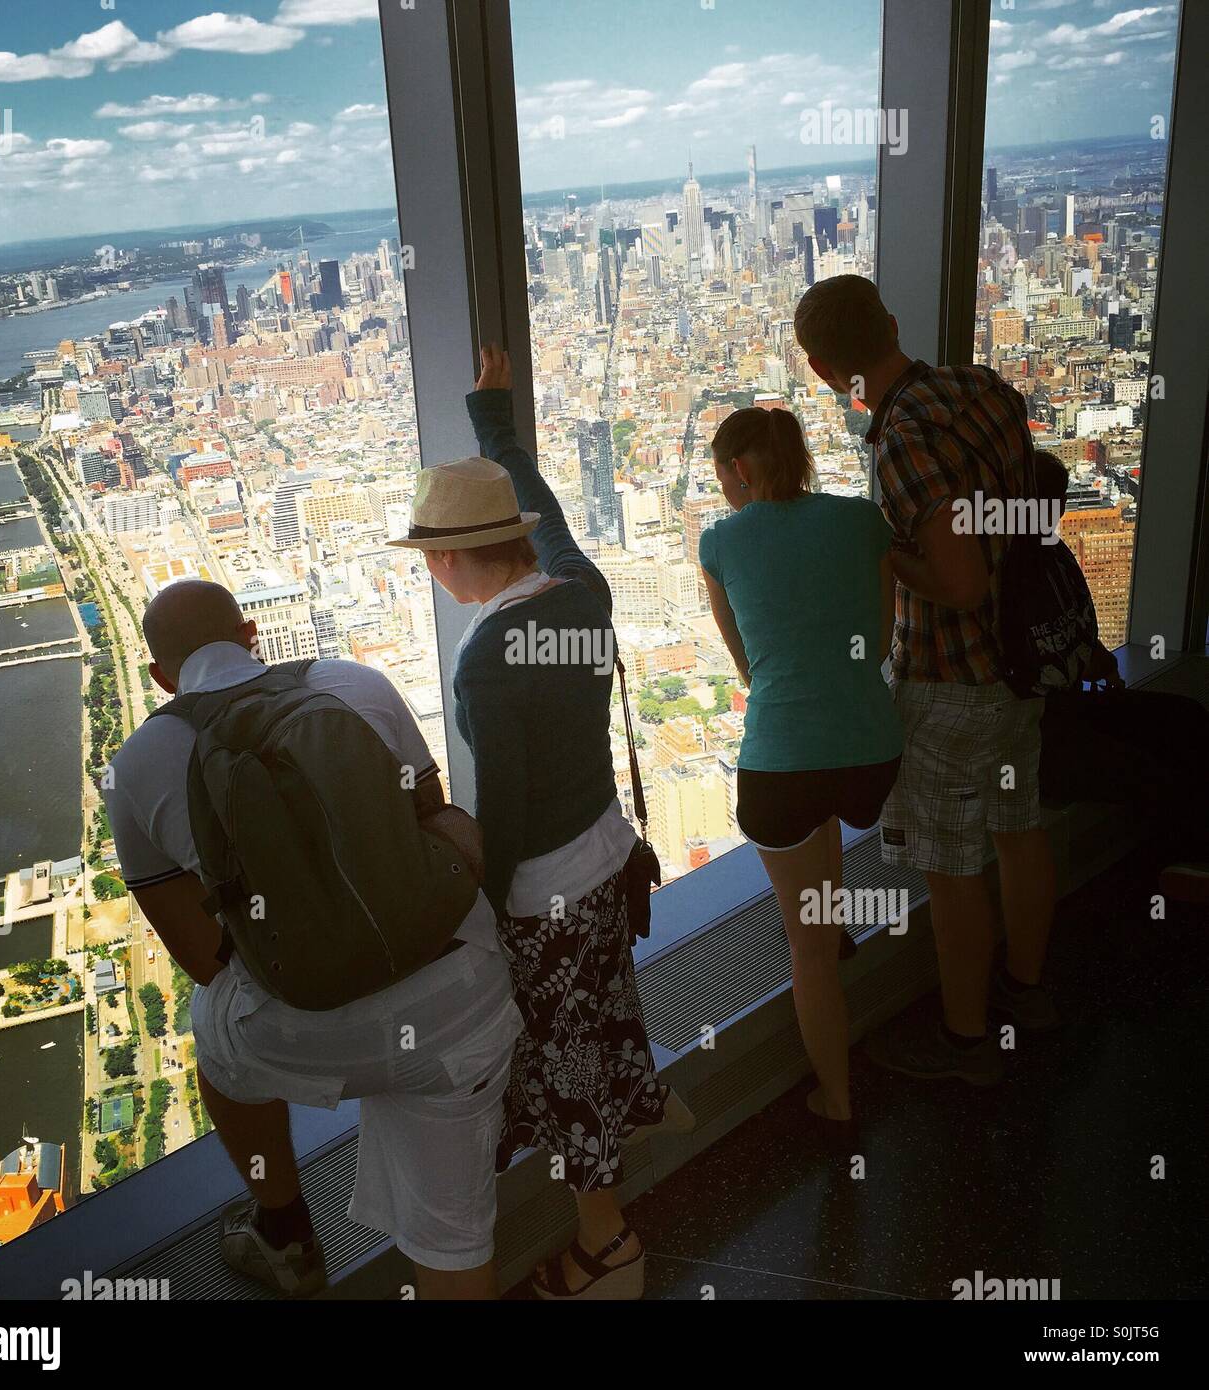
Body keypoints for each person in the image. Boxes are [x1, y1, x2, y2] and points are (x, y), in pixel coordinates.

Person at [102, 580, 523, 1299]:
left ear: (159, 677)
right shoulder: (356, 684)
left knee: (214, 1028)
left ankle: (285, 1228)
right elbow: (432, 831)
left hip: (301, 1029)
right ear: (251, 633)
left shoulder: (136, 767)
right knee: (454, 1239)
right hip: (461, 999)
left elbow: (203, 961)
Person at [390, 345, 691, 1300]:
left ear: (445, 561)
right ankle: (636, 1112)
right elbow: (546, 509)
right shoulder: (583, 590)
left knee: (565, 1063)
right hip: (606, 857)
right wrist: (496, 424)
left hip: (545, 892)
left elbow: (506, 818)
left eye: (430, 559)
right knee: (601, 1017)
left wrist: (472, 906)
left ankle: (607, 1247)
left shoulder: (484, 662)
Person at [795, 273, 1057, 1085]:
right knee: (1019, 829)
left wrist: (878, 550)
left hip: (953, 680)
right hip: (1023, 660)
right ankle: (1028, 986)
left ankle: (966, 1041)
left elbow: (960, 580)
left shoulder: (902, 436)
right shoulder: (979, 387)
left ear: (824, 371)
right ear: (892, 323)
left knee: (953, 873)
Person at [701, 406, 901, 1126]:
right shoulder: (859, 520)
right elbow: (878, 643)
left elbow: (748, 666)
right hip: (873, 753)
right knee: (825, 854)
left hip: (783, 762)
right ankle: (831, 919)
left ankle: (838, 1099)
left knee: (807, 952)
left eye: (721, 474)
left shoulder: (722, 542)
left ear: (741, 471)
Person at [1032, 451, 1209, 903]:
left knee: (1186, 717)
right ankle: (1183, 865)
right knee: (1151, 769)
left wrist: (1098, 666)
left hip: (1074, 705)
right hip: (1037, 736)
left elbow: (1082, 637)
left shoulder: (1054, 555)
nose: (1058, 511)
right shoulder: (998, 574)